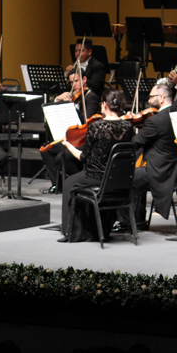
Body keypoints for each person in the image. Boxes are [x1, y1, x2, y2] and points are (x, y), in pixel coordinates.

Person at [58, 90, 135, 242]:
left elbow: (84, 157)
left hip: (97, 177)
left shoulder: (97, 127)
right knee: (78, 181)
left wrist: (68, 145)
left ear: (104, 105)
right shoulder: (128, 126)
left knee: (69, 184)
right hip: (119, 179)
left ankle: (73, 233)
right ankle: (100, 229)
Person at [121, 82, 177, 231]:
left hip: (158, 171)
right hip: (174, 169)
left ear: (161, 98)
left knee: (125, 177)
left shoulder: (155, 121)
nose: (148, 101)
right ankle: (138, 220)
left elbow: (136, 142)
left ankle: (129, 222)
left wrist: (127, 126)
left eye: (151, 97)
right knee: (137, 175)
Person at [40, 68, 101, 193]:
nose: (74, 86)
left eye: (77, 81)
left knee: (61, 156)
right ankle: (57, 184)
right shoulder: (72, 96)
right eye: (71, 82)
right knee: (46, 149)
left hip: (83, 140)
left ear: (84, 80)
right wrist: (57, 100)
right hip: (71, 138)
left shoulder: (91, 97)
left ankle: (79, 182)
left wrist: (71, 108)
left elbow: (86, 121)